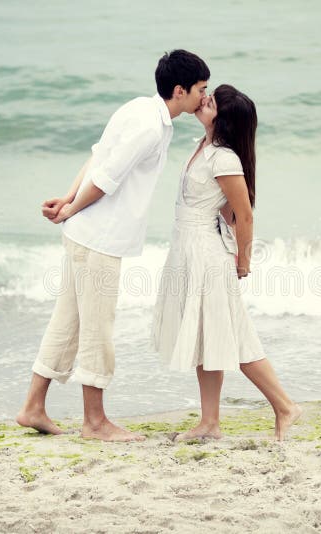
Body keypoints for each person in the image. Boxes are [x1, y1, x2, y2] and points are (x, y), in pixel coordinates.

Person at [17, 50, 210, 442]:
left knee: (67, 322)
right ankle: (95, 422)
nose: (204, 97)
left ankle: (33, 407)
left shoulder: (140, 110)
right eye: (201, 89)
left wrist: (69, 200)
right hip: (99, 239)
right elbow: (104, 177)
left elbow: (95, 159)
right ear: (180, 90)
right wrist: (70, 206)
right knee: (97, 330)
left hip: (86, 235)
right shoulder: (149, 129)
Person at [152, 84, 302, 441]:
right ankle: (210, 423)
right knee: (209, 339)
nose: (204, 101)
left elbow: (245, 216)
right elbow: (221, 208)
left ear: (224, 119)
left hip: (209, 257)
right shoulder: (205, 148)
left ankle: (285, 407)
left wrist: (243, 261)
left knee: (234, 338)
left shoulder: (224, 158)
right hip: (191, 251)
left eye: (211, 101)